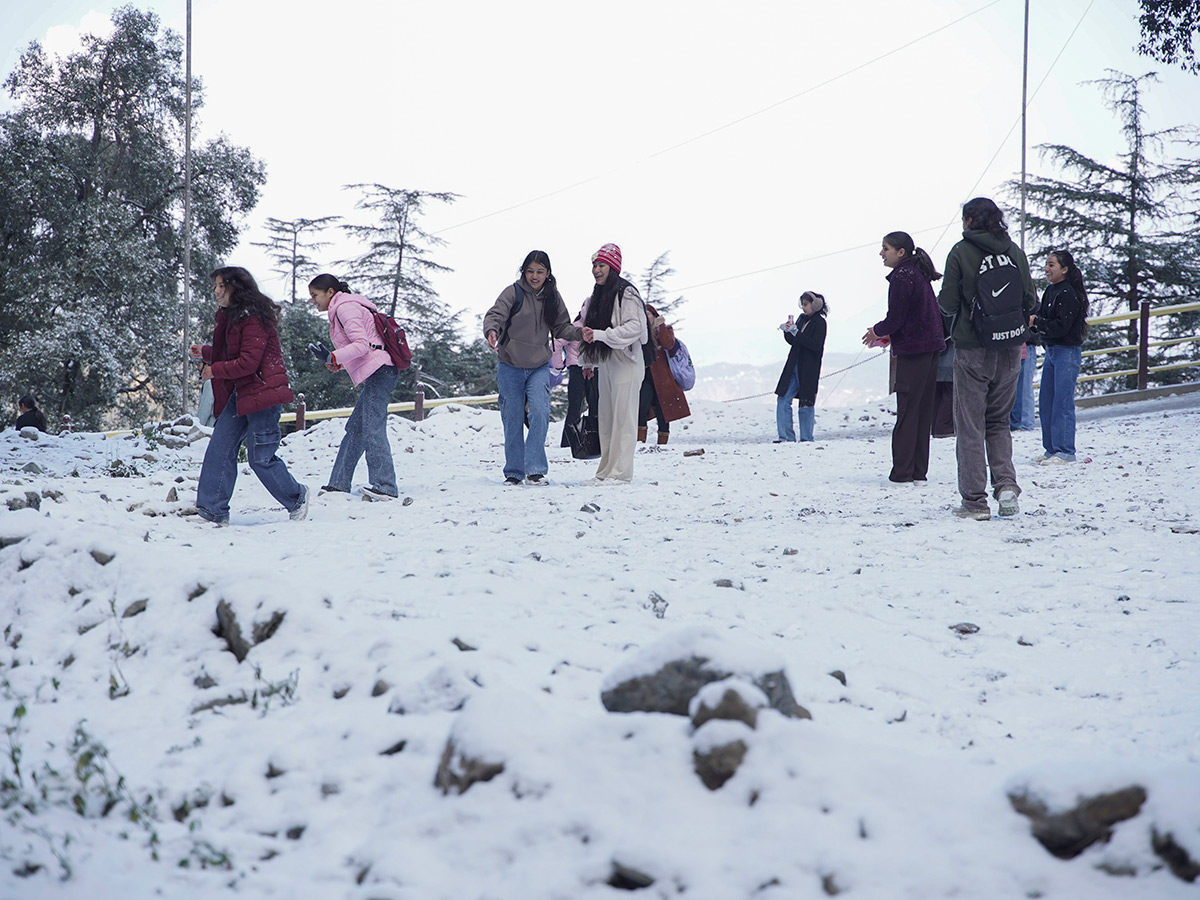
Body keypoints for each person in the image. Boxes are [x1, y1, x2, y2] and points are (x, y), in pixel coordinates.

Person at [937, 197, 1037, 520]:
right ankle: (1006, 486)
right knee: (998, 421)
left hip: (973, 349)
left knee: (969, 425)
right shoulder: (1013, 251)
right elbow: (1030, 299)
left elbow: (948, 303)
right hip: (1010, 349)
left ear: (968, 220)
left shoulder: (960, 252)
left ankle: (975, 502)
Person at [189, 267, 308, 525]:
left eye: (222, 286)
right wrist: (207, 352)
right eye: (215, 287)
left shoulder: (254, 318)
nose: (217, 292)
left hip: (264, 393)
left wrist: (214, 370)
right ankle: (213, 511)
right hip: (241, 392)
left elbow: (248, 362)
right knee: (220, 447)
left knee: (260, 458)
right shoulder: (232, 317)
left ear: (237, 288)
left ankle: (296, 496)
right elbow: (233, 352)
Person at [483, 250, 583, 485]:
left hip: (539, 365)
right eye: (530, 271)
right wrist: (492, 330)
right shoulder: (513, 292)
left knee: (539, 412)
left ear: (548, 273)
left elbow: (561, 328)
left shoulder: (553, 297)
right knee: (513, 418)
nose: (535, 276)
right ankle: (514, 473)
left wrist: (581, 333)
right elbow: (495, 314)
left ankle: (535, 469)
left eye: (540, 271)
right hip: (510, 365)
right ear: (524, 272)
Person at [307, 274, 401, 499]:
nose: (312, 301)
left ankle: (385, 486)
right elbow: (368, 344)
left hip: (381, 370)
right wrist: (336, 362)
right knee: (357, 428)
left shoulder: (345, 308)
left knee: (372, 426)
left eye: (314, 295)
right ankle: (339, 483)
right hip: (379, 369)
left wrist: (332, 356)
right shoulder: (343, 308)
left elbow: (362, 345)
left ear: (330, 292)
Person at [863, 232, 946, 483]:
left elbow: (896, 318)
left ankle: (902, 473)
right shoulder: (917, 273)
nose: (881, 253)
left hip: (914, 351)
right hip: (930, 348)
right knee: (921, 411)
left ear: (901, 252)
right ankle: (918, 471)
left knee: (908, 411)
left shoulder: (902, 276)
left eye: (885, 248)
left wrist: (877, 331)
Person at [578, 243, 647, 482]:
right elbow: (589, 329)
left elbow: (636, 328)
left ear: (613, 267)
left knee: (624, 418)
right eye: (595, 265)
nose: (597, 270)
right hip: (606, 361)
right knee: (606, 418)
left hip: (626, 360)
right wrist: (587, 360)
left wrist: (602, 335)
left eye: (602, 265)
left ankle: (621, 473)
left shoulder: (626, 293)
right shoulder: (598, 295)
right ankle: (605, 470)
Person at [1030, 249, 1088, 465]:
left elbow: (1061, 326)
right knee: (1047, 401)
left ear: (1064, 269)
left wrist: (1037, 323)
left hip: (1067, 352)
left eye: (1052, 265)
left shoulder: (1068, 294)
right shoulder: (1051, 292)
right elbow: (1045, 320)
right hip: (1052, 351)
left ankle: (1065, 450)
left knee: (1062, 402)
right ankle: (1051, 448)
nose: (1047, 268)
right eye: (1046, 264)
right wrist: (1037, 324)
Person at [774, 291, 828, 442]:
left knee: (806, 403)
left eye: (806, 304)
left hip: (808, 368)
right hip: (794, 364)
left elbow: (815, 346)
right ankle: (785, 437)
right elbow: (794, 341)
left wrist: (796, 333)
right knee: (783, 398)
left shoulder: (820, 323)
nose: (803, 308)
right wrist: (787, 332)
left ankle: (806, 438)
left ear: (815, 304)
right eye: (802, 304)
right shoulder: (802, 319)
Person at [637, 303, 690, 445]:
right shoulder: (639, 332)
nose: (646, 317)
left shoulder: (665, 330)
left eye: (648, 314)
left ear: (654, 316)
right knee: (640, 407)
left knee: (663, 412)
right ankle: (639, 442)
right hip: (645, 377)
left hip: (663, 378)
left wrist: (660, 326)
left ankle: (662, 444)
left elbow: (668, 344)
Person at [1009, 337, 1037, 431]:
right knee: (1010, 390)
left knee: (1024, 389)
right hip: (1010, 348)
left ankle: (1024, 424)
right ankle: (1016, 422)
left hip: (1024, 346)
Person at [196, 362, 217, 427]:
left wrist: (197, 426)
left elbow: (205, 407)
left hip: (212, 424)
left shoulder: (209, 383)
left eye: (201, 371)